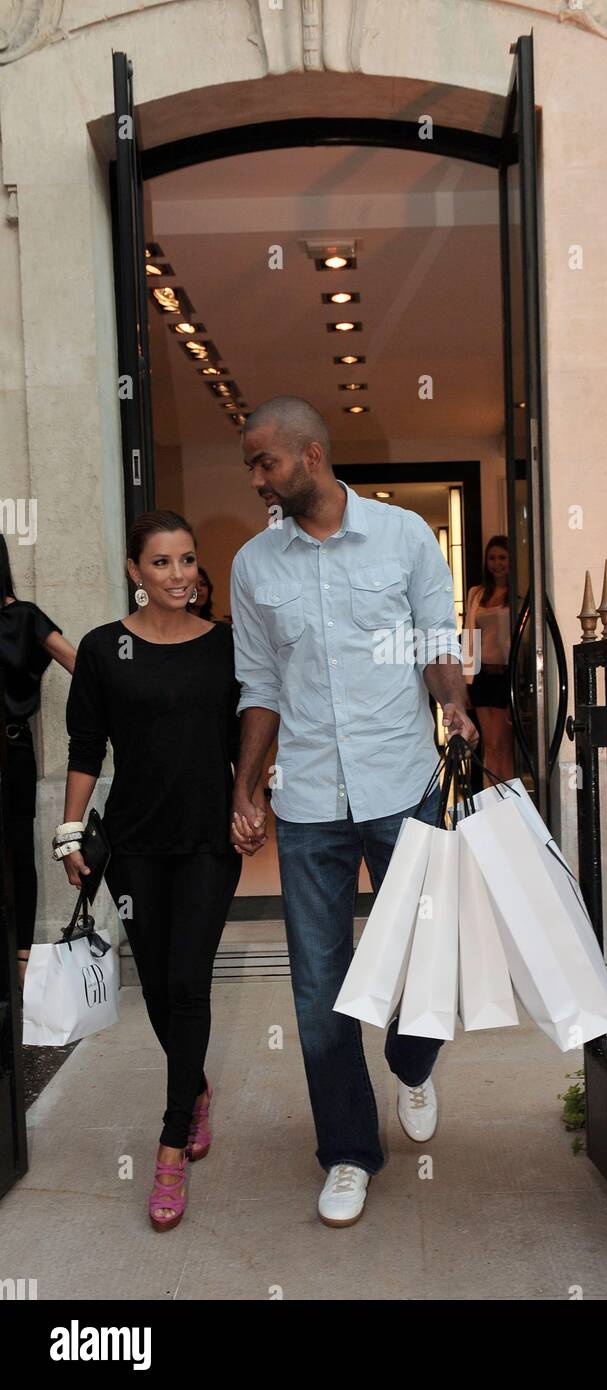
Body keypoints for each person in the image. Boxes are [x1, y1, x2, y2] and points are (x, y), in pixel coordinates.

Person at [229, 395, 478, 1228]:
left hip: (403, 783)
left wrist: (455, 706)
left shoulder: (404, 538)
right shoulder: (254, 565)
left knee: (427, 952)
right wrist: (245, 785)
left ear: (310, 455)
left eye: (265, 463)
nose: (257, 479)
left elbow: (436, 642)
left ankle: (412, 1060)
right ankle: (346, 1150)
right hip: (306, 801)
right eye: (251, 466)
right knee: (318, 986)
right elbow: (259, 685)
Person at [59, 510, 243, 1232]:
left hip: (206, 842)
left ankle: (169, 1146)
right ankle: (193, 1087)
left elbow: (251, 734)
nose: (178, 575)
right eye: (161, 562)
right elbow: (85, 747)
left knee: (188, 983)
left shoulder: (226, 645)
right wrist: (69, 833)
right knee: (161, 987)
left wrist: (252, 797)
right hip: (133, 844)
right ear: (135, 570)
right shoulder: (103, 649)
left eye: (187, 560)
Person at [0, 535, 77, 991]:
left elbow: (82, 665)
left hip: (11, 754)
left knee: (16, 852)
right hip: (15, 753)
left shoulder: (25, 617)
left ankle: (22, 958)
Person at [463, 535, 514, 782]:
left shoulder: (516, 594)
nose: (497, 563)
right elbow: (469, 636)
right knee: (490, 744)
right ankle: (492, 796)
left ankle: (510, 797)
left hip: (506, 675)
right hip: (481, 676)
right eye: (492, 558)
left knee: (504, 744)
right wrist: (466, 680)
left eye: (502, 557)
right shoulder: (477, 593)